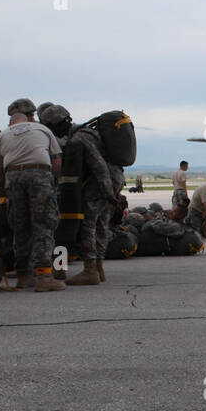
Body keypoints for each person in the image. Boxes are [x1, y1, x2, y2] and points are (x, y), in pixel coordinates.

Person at [0, 98, 64, 290]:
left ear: (12, 122)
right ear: (28, 118)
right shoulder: (42, 129)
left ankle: (23, 275)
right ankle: (44, 277)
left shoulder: (2, 136)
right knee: (43, 224)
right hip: (40, 173)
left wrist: (7, 187)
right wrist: (52, 180)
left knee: (20, 226)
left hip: (12, 176)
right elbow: (56, 160)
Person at [64, 117, 125, 285]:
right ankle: (98, 267)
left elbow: (98, 165)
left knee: (88, 224)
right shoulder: (95, 134)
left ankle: (89, 270)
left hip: (102, 183)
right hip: (114, 179)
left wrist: (108, 192)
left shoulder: (80, 138)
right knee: (102, 224)